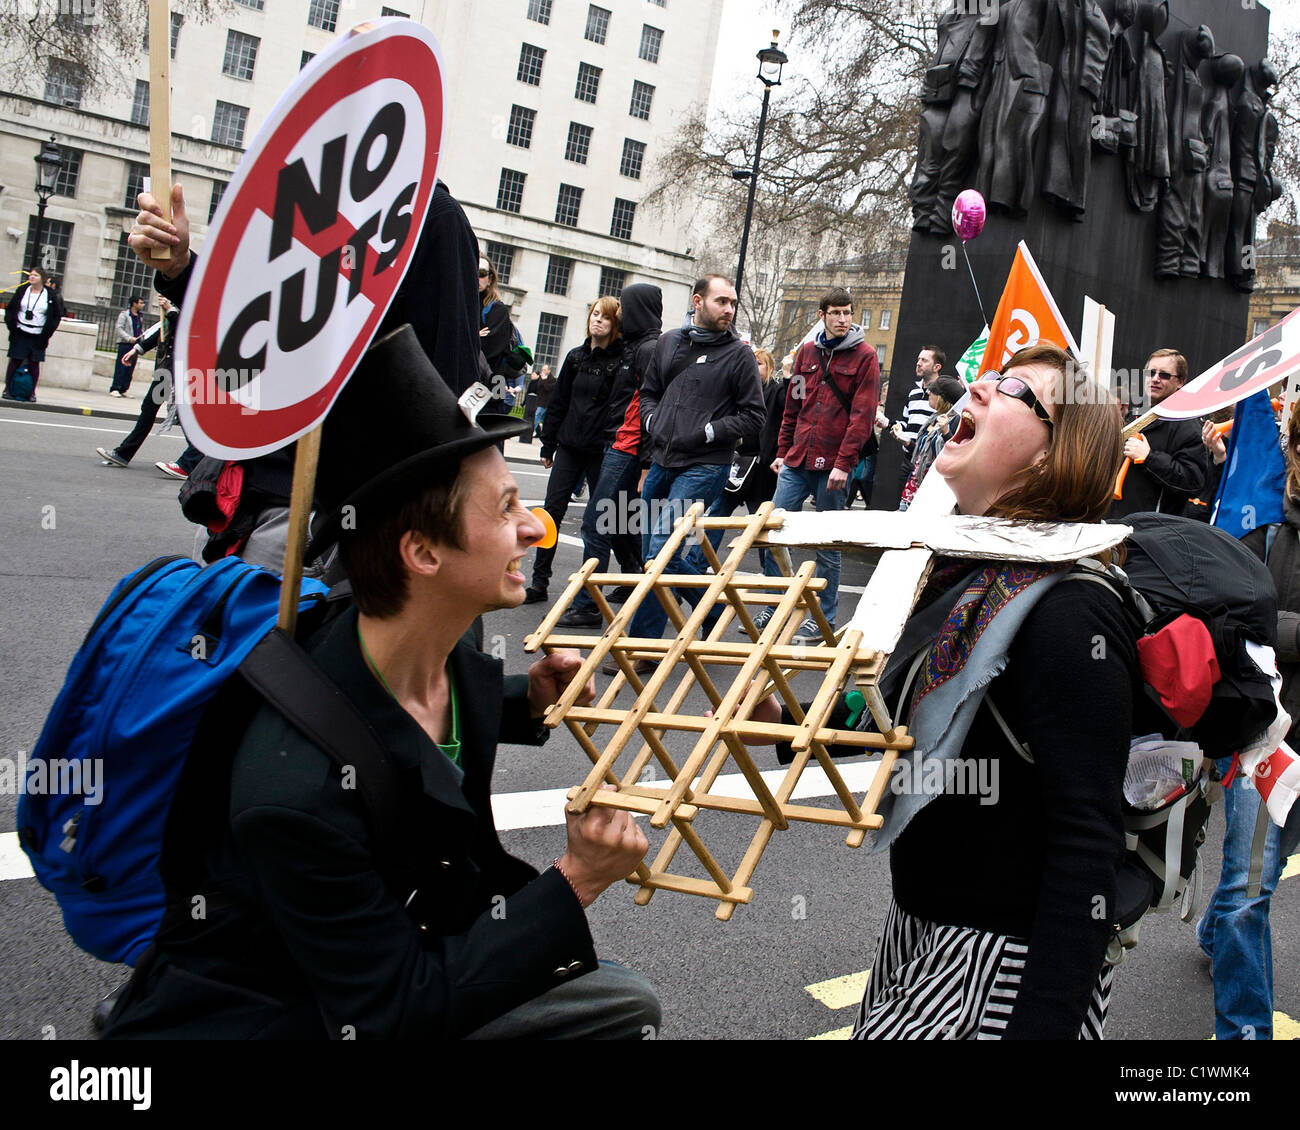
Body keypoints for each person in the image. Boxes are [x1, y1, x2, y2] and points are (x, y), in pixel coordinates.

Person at [100, 326, 660, 1040]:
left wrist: (529, 699)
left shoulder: (415, 640)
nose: (535, 529)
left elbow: (412, 711)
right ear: (422, 552)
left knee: (620, 1001)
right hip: (290, 1016)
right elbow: (391, 1015)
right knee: (608, 1009)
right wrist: (576, 879)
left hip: (405, 943)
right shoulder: (295, 794)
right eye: (507, 508)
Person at [752, 343, 1137, 1038]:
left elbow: (1088, 843)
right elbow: (906, 712)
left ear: (1055, 452)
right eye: (987, 376)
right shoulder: (958, 573)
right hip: (917, 932)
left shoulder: (1072, 608)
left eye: (1014, 388)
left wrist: (1042, 1025)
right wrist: (784, 723)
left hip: (1003, 962)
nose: (980, 388)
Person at [1197, 398, 1300, 1040]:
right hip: (1270, 734)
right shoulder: (1262, 522)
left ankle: (1215, 930)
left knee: (1259, 872)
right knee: (1249, 889)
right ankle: (1244, 1038)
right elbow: (1234, 619)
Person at [610, 275, 765, 667]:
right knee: (651, 554)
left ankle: (644, 650)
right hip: (662, 460)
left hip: (706, 466)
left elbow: (754, 416)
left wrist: (710, 431)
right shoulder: (669, 342)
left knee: (662, 551)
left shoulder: (740, 355)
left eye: (732, 303)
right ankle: (712, 613)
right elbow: (649, 392)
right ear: (698, 301)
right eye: (721, 301)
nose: (728, 309)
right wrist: (650, 424)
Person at [758, 289, 880, 641]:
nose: (843, 319)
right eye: (836, 313)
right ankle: (776, 603)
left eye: (848, 312)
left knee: (827, 542)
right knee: (774, 531)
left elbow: (863, 416)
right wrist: (782, 451)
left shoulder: (865, 356)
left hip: (833, 465)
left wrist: (844, 463)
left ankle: (822, 616)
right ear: (822, 315)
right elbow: (792, 406)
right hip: (797, 459)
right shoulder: (807, 354)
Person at [556, 283, 662, 629]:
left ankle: (588, 605)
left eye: (626, 310)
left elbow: (650, 408)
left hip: (627, 448)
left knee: (598, 523)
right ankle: (629, 586)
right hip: (619, 445)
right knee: (618, 523)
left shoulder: (648, 349)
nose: (621, 317)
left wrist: (646, 461)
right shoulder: (637, 347)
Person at [526, 296, 630, 604]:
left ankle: (623, 573)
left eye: (605, 317)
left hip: (602, 452)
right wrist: (548, 444)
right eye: (594, 314)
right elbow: (558, 403)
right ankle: (539, 581)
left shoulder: (621, 361)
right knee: (551, 511)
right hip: (570, 446)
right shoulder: (574, 358)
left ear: (615, 324)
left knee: (606, 517)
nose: (597, 320)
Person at [95, 296, 202, 479]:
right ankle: (123, 453)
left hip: (186, 371)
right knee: (149, 409)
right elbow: (160, 333)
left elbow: (189, 331)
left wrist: (171, 311)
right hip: (168, 371)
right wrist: (136, 350)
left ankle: (192, 461)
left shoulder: (196, 305)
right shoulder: (177, 307)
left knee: (185, 417)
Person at [1109, 348, 1207, 518]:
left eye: (1165, 375)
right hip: (1114, 521)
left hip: (1149, 531)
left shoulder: (1187, 424)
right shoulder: (1136, 415)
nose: (1155, 379)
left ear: (1180, 382)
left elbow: (1192, 482)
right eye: (1151, 373)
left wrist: (1148, 458)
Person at [899, 375, 966, 510]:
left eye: (933, 391)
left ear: (943, 398)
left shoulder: (956, 421)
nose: (929, 393)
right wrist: (907, 443)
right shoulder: (932, 418)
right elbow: (922, 455)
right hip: (913, 486)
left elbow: (957, 455)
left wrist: (946, 432)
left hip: (932, 490)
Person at [3, 266, 65, 402]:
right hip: (20, 332)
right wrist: (12, 326)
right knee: (15, 360)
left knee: (34, 363)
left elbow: (56, 315)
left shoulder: (49, 294)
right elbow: (12, 308)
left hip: (38, 335)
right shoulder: (22, 291)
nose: (31, 277)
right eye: (31, 275)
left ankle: (31, 392)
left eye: (35, 275)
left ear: (42, 279)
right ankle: (8, 389)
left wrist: (47, 334)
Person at [893, 345, 945, 492]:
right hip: (908, 459)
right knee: (901, 507)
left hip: (927, 462)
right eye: (918, 359)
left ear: (936, 367)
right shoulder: (914, 392)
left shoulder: (943, 393)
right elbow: (906, 423)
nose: (918, 363)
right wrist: (891, 425)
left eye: (924, 360)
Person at [478, 255, 514, 390]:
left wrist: (470, 338)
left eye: (481, 273)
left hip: (492, 388)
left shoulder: (498, 310)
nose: (476, 277)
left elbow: (490, 348)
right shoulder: (460, 306)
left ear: (490, 279)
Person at [110, 295, 146, 397]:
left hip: (135, 345)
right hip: (125, 344)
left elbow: (139, 329)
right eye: (141, 303)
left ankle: (124, 388)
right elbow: (119, 328)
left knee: (130, 368)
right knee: (121, 366)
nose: (142, 305)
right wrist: (129, 338)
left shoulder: (140, 316)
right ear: (134, 304)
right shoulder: (125, 315)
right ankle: (115, 388)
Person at [530, 363, 555, 438]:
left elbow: (548, 388)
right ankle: (544, 434)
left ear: (548, 371)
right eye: (542, 369)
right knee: (543, 419)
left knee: (537, 416)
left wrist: (544, 380)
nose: (543, 371)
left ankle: (530, 431)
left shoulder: (552, 379)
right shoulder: (541, 378)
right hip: (540, 401)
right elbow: (538, 387)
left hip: (545, 402)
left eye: (544, 370)